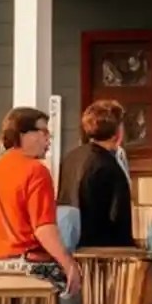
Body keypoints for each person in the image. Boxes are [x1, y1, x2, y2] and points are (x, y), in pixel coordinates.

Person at [0, 107, 81, 297]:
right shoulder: (36, 171)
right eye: (44, 132)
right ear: (24, 134)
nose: (49, 139)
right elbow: (43, 228)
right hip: (30, 268)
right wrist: (68, 264)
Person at [57, 100, 134, 248]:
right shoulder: (110, 166)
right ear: (117, 132)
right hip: (100, 250)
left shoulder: (71, 157)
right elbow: (118, 217)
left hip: (70, 243)